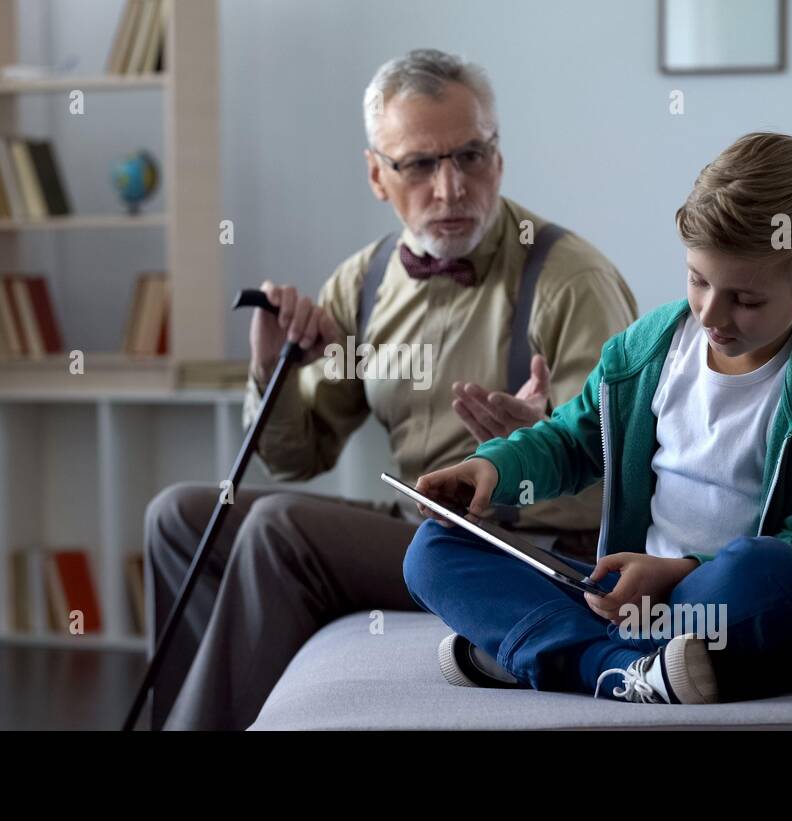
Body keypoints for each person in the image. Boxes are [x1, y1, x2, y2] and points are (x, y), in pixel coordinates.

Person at [145, 49, 637, 729]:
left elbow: (629, 479)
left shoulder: (569, 280)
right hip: (420, 527)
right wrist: (272, 369)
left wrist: (537, 450)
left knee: (281, 529)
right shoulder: (365, 281)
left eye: (470, 156)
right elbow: (297, 457)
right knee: (178, 515)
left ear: (499, 158)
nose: (450, 188)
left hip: (537, 552)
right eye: (419, 165)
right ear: (378, 174)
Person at [405, 132, 792, 704]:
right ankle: (616, 665)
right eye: (698, 280)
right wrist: (492, 468)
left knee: (768, 573)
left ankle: (549, 652)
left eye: (745, 299)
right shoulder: (649, 350)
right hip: (620, 602)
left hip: (711, 600)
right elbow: (572, 441)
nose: (710, 313)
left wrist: (674, 574)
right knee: (434, 548)